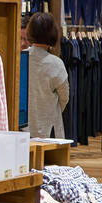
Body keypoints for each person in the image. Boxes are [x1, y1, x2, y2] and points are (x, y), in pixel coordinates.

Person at [24, 11, 70, 140]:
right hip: (49, 129)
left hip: (21, 127)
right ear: (53, 33)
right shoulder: (56, 63)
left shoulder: (20, 58)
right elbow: (64, 98)